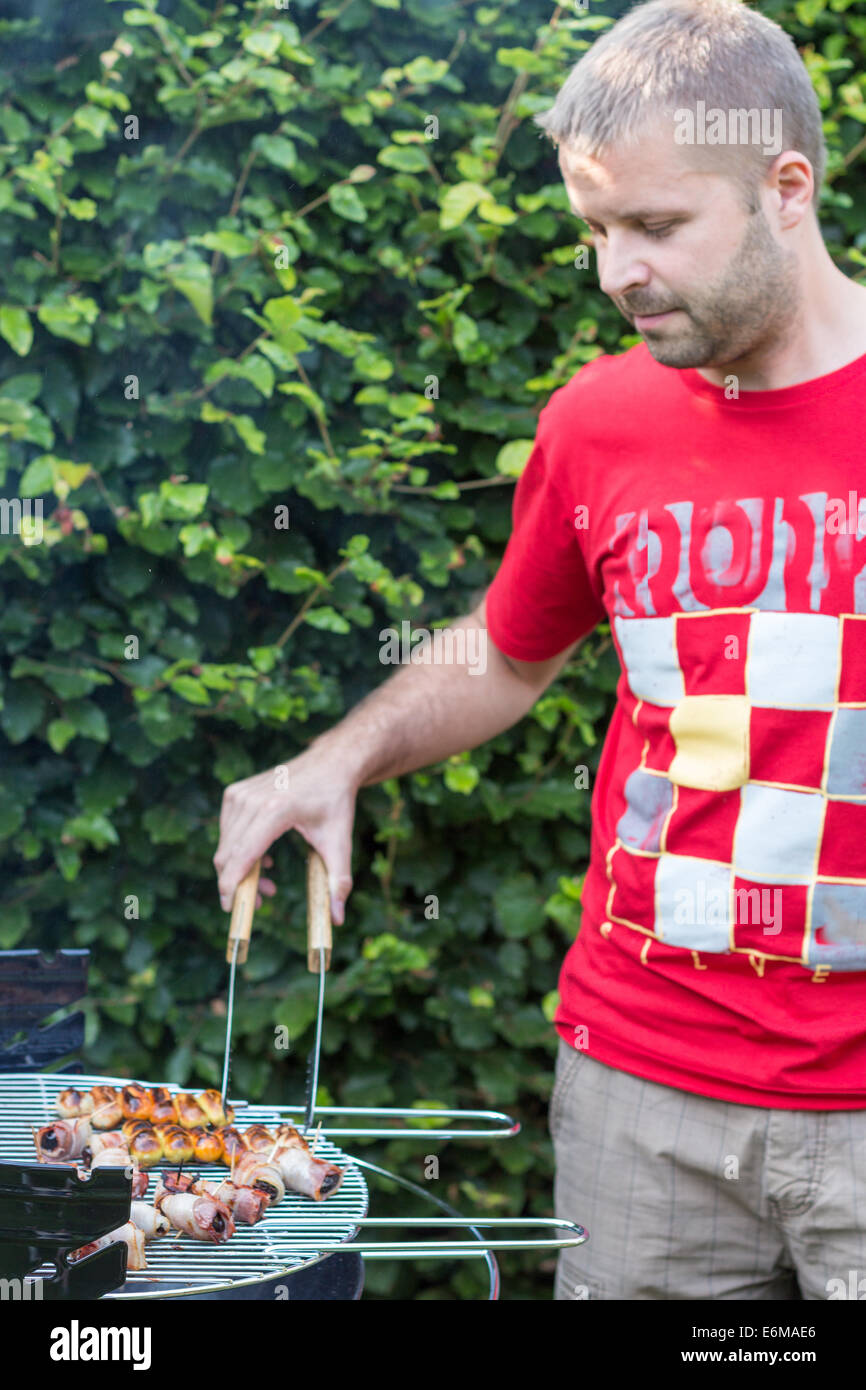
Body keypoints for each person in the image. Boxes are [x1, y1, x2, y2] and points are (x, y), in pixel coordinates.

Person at [215, 0, 866, 1300]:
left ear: (783, 187)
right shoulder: (599, 422)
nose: (614, 270)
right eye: (594, 229)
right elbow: (507, 654)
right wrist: (333, 759)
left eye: (655, 227)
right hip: (642, 1094)